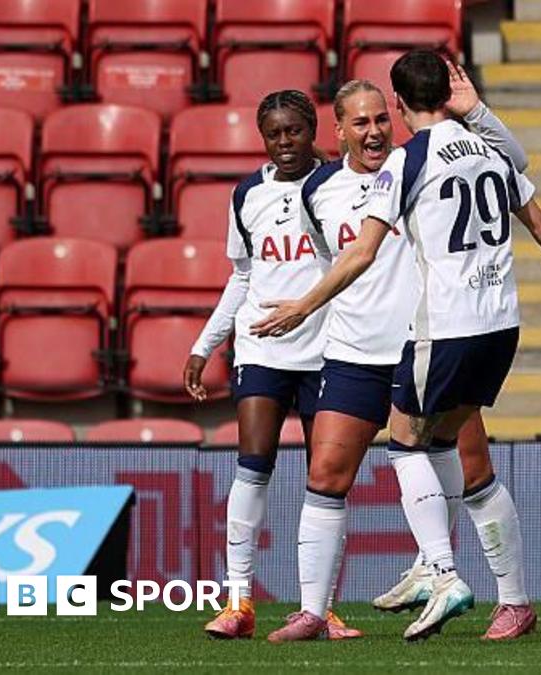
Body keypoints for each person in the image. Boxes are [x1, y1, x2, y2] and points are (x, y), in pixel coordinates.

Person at [250, 49, 541, 641]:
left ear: (401, 107)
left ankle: (442, 571)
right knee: (430, 444)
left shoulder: (408, 163)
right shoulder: (490, 149)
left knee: (409, 444)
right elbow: (540, 221)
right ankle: (493, 594)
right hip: (501, 324)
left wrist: (302, 306)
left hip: (444, 329)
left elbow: (360, 253)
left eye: (384, 115)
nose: (376, 130)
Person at [185, 90, 361, 640]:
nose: (285, 143)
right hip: (262, 346)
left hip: (328, 348)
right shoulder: (247, 195)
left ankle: (321, 607)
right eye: (274, 134)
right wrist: (204, 343)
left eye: (295, 131)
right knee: (252, 464)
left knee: (325, 481)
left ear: (315, 131)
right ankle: (238, 602)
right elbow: (242, 276)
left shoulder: (341, 187)